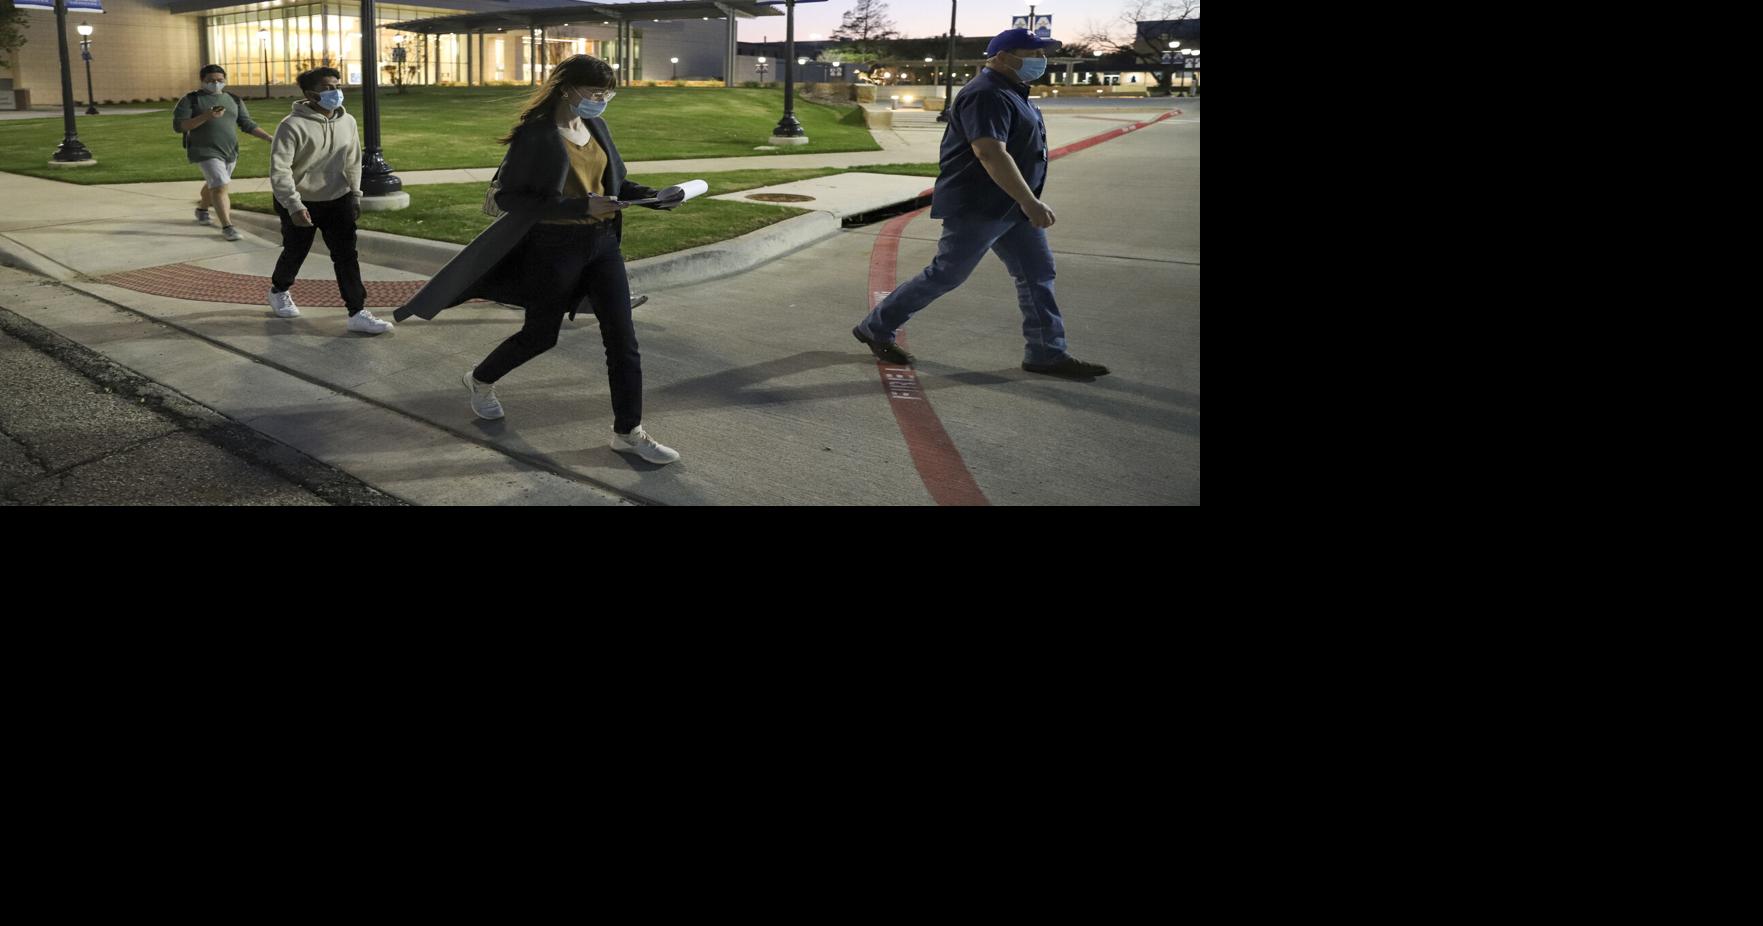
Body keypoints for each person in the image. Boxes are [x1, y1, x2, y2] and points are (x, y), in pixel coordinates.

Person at [392, 55, 685, 465]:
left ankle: (628, 432)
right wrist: (579, 206)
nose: (602, 100)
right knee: (541, 335)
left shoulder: (596, 127)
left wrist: (655, 197)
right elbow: (510, 198)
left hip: (603, 245)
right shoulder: (536, 134)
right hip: (554, 247)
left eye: (607, 93)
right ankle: (480, 379)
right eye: (595, 92)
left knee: (623, 341)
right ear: (567, 88)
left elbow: (614, 184)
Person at [852, 28, 1110, 379]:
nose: (1041, 60)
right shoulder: (986, 94)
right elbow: (989, 152)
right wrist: (1029, 200)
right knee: (947, 273)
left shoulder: (1011, 91)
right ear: (1002, 57)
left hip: (1011, 206)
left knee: (1037, 273)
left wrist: (1024, 200)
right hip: (979, 205)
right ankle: (876, 327)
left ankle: (1047, 352)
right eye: (1033, 53)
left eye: (1042, 54)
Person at [266, 67, 393, 334]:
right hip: (301, 200)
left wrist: (355, 194)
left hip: (338, 198)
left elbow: (353, 160)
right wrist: (294, 205)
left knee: (346, 255)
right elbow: (280, 170)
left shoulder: (348, 122)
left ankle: (357, 311)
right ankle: (279, 289)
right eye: (327, 88)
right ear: (310, 94)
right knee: (296, 250)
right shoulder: (291, 126)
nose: (335, 92)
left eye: (337, 86)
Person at [172, 64, 273, 243]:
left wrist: (268, 137)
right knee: (219, 185)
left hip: (229, 150)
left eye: (219, 80)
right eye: (211, 80)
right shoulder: (191, 100)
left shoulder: (233, 99)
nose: (215, 83)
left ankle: (202, 210)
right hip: (204, 150)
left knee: (216, 183)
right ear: (202, 81)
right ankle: (228, 227)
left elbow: (246, 123)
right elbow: (180, 126)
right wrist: (206, 116)